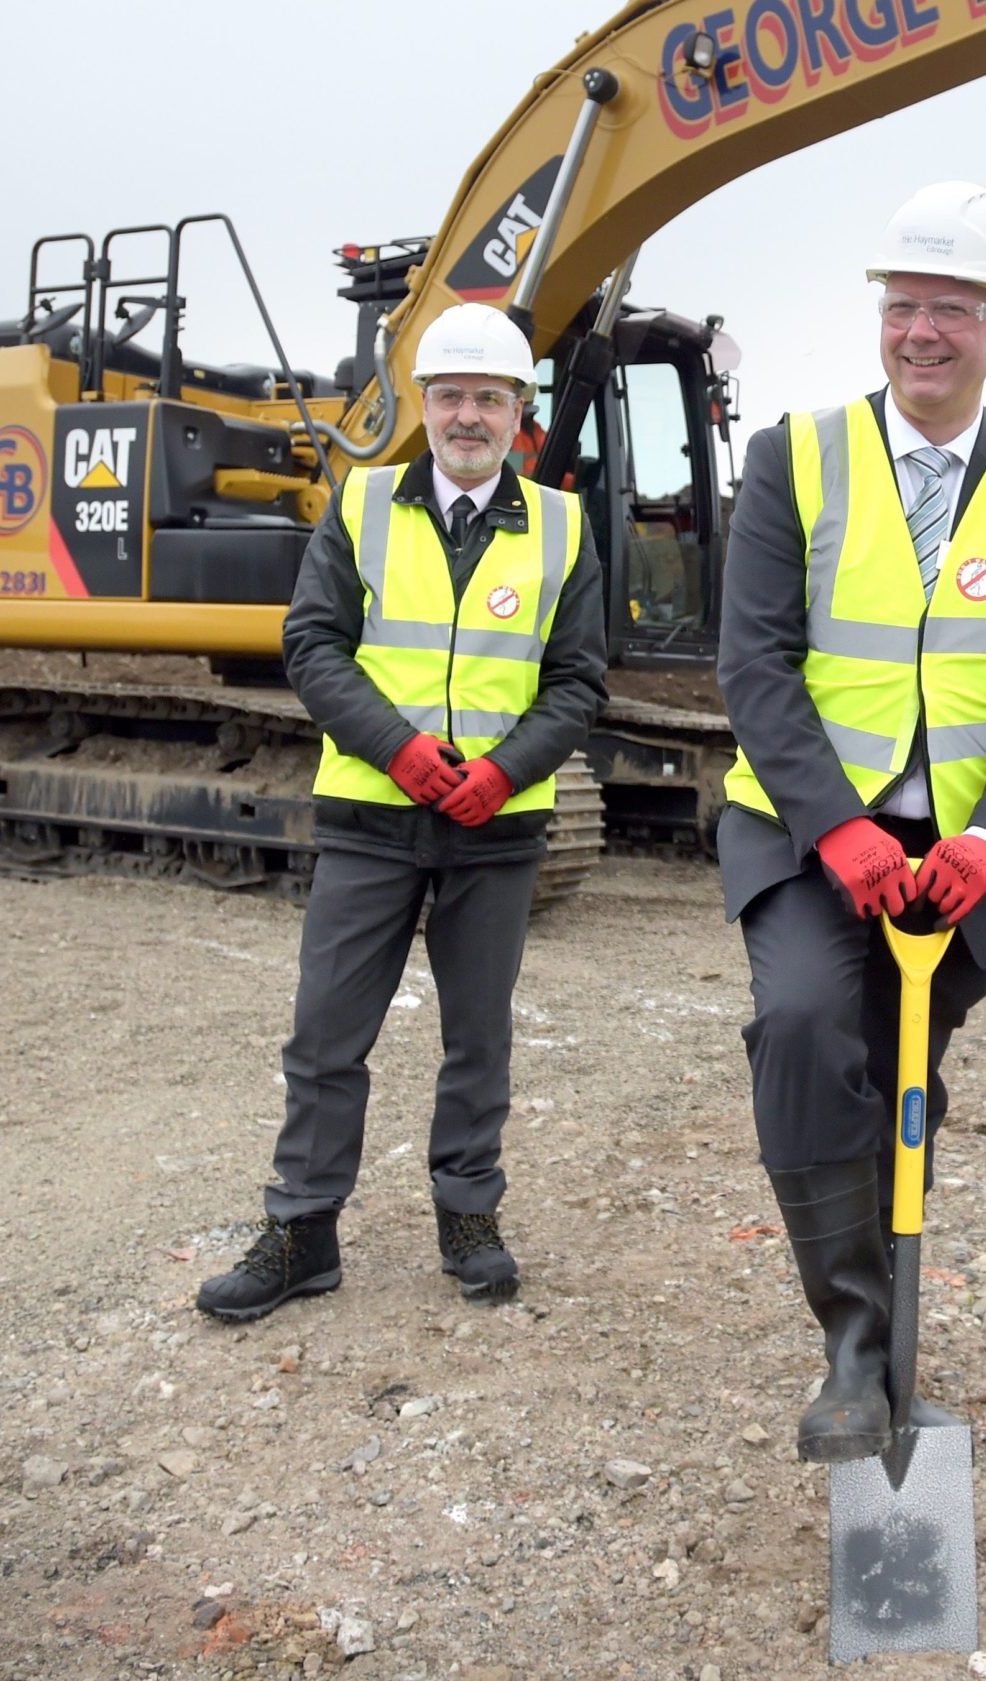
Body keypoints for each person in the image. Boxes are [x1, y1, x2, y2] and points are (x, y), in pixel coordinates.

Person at [717, 181, 986, 1461]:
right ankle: (855, 1350)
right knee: (808, 1028)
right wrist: (839, 828)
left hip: (960, 855)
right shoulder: (796, 454)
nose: (921, 331)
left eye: (952, 308)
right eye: (903, 305)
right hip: (804, 832)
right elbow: (754, 664)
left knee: (897, 1080)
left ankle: (879, 1336)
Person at [197, 302, 608, 1322]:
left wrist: (504, 772)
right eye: (452, 395)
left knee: (478, 1036)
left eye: (490, 397)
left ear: (521, 413)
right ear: (425, 406)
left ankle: (469, 1216)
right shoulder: (365, 504)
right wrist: (403, 751)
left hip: (497, 827)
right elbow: (313, 647)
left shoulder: (562, 526)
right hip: (374, 816)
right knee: (327, 1034)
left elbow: (578, 677)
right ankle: (303, 1228)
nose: (469, 414)